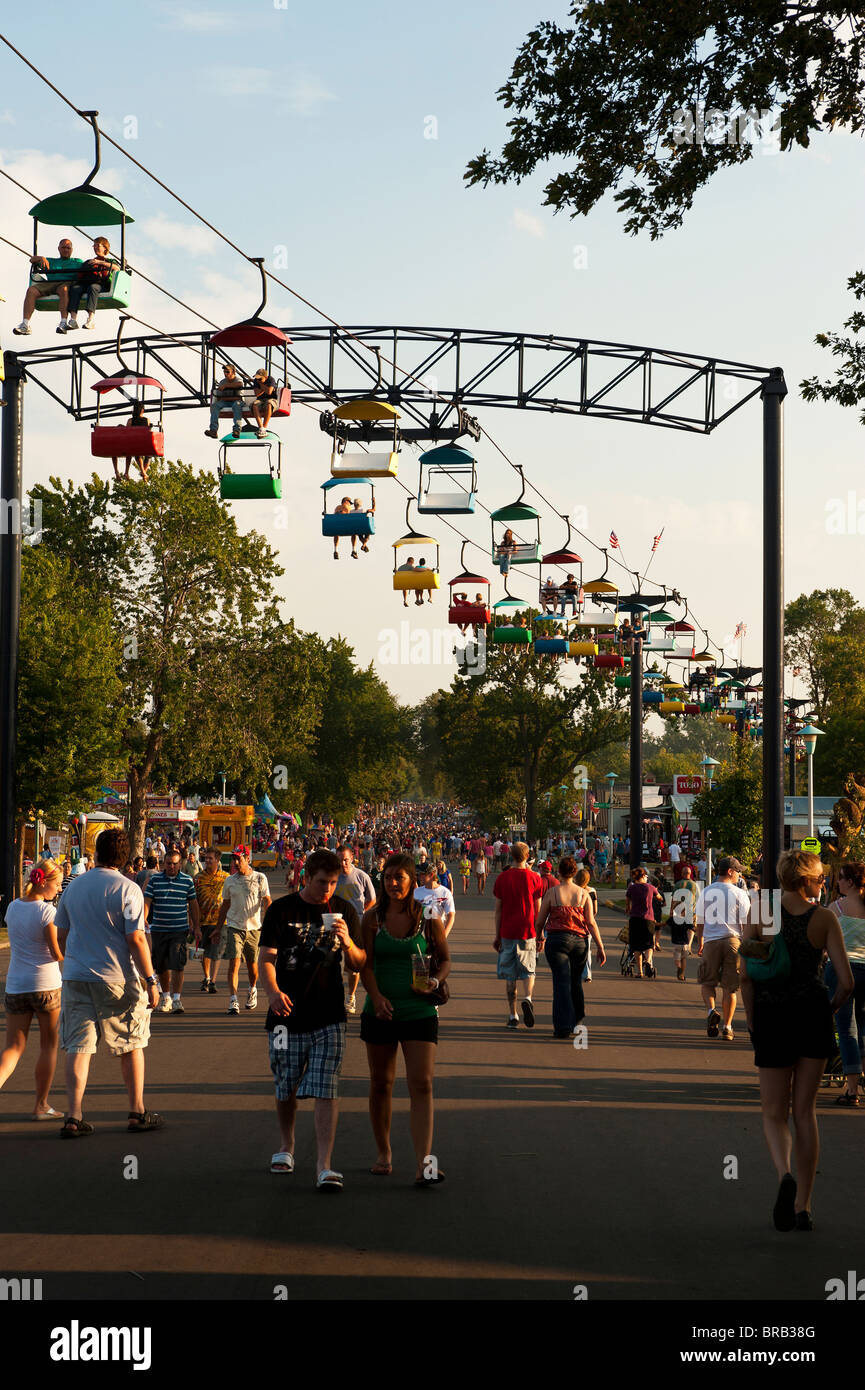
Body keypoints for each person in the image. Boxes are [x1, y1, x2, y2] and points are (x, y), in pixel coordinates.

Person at [741, 850, 853, 1231]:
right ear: (807, 880)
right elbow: (847, 982)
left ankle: (783, 1173)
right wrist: (829, 1008)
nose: (823, 883)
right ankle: (804, 1205)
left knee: (774, 1112)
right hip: (812, 1015)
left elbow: (746, 975)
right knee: (805, 1113)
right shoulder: (823, 918)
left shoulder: (761, 912)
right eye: (821, 878)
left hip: (772, 1014)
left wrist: (752, 1019)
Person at [259, 849, 366, 1189]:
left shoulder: (344, 911)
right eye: (322, 882)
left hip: (329, 1013)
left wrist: (348, 942)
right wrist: (273, 992)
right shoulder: (281, 909)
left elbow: (359, 964)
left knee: (326, 1086)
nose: (327, 890)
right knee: (285, 1082)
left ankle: (324, 1164)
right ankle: (286, 1146)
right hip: (283, 1016)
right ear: (307, 877)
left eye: (334, 883)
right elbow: (266, 959)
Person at [54, 828, 163, 1137]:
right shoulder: (129, 890)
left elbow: (60, 933)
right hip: (117, 976)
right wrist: (151, 979)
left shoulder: (74, 887)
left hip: (76, 975)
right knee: (131, 1042)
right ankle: (136, 1111)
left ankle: (73, 1115)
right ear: (125, 857)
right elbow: (136, 938)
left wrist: (73, 957)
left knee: (78, 1046)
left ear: (97, 853)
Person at [360, 853, 450, 1182]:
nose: (393, 883)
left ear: (413, 881)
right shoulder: (372, 918)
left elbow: (444, 960)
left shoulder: (428, 914)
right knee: (381, 1084)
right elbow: (364, 965)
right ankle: (384, 1152)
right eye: (387, 878)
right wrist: (376, 996)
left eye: (399, 878)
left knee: (422, 1084)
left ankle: (424, 1162)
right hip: (381, 1009)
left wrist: (436, 982)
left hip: (419, 1009)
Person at [0, 861, 64, 1118]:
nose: (58, 889)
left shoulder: (13, 907)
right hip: (46, 986)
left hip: (16, 985)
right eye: (57, 884)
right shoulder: (47, 912)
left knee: (13, 1048)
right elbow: (55, 952)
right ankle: (41, 1105)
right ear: (43, 882)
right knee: (48, 1045)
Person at [537, 857, 607, 1037]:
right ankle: (577, 1019)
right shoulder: (584, 894)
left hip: (557, 940)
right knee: (575, 981)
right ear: (574, 873)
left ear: (558, 872)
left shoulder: (552, 893)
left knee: (560, 983)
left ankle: (562, 1027)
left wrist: (539, 937)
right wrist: (600, 946)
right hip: (579, 942)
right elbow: (591, 923)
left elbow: (540, 920)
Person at [695, 856, 750, 1039]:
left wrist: (700, 941)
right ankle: (727, 1026)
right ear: (730, 871)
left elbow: (700, 920)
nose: (739, 874)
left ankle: (711, 1011)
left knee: (707, 982)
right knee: (730, 987)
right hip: (733, 941)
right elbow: (745, 923)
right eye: (738, 871)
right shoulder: (740, 894)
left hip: (711, 941)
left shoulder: (707, 891)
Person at [824, 861, 865, 1105]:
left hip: (841, 971)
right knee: (864, 1026)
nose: (836, 882)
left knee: (846, 1029)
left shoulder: (836, 908)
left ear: (850, 881)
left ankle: (852, 1089)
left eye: (840, 878)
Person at [493, 842, 545, 1029]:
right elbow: (538, 909)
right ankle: (528, 998)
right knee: (529, 969)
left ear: (511, 856)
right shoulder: (535, 878)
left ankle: (513, 1014)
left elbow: (498, 911)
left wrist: (497, 935)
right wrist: (540, 934)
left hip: (507, 931)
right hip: (528, 930)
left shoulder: (503, 878)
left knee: (510, 975)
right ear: (527, 855)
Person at [215, 847, 271, 1015]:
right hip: (234, 927)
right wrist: (218, 928)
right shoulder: (230, 881)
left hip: (254, 928)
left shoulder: (260, 878)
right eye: (234, 859)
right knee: (234, 963)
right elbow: (225, 904)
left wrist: (267, 923)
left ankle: (252, 989)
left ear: (248, 858)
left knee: (253, 967)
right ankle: (233, 1000)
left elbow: (267, 901)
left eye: (239, 859)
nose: (236, 863)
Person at [143, 848, 201, 1014]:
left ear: (180, 864)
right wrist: (144, 918)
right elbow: (147, 900)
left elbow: (193, 904)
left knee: (177, 964)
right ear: (164, 863)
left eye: (175, 864)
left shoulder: (187, 881)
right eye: (168, 863)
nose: (171, 867)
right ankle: (166, 997)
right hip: (159, 929)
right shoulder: (155, 880)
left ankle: (177, 999)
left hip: (179, 929)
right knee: (161, 965)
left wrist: (196, 927)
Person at [335, 845, 376, 1015]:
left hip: (356, 926)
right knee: (333, 963)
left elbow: (372, 899)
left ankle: (350, 997)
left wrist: (362, 913)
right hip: (335, 925)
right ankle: (334, 997)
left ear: (352, 858)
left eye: (345, 859)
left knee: (354, 966)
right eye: (339, 860)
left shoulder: (361, 876)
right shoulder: (333, 877)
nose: (342, 863)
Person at [14, 237, 83, 336]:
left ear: (72, 250)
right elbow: (32, 259)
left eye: (68, 248)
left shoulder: (77, 262)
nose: (66, 250)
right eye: (63, 247)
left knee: (64, 289)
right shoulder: (51, 261)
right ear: (59, 249)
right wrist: (41, 258)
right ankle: (25, 324)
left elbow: (87, 268)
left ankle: (63, 322)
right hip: (51, 283)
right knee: (31, 290)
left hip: (67, 282)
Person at [64, 237, 119, 331]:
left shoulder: (110, 261)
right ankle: (73, 319)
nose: (95, 247)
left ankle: (90, 319)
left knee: (93, 287)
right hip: (86, 283)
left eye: (98, 245)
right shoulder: (89, 262)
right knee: (75, 288)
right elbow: (80, 275)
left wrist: (99, 262)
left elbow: (116, 268)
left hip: (101, 283)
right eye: (94, 245)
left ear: (105, 247)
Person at [194, 848, 229, 994]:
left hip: (220, 922)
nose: (207, 861)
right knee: (204, 952)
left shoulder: (226, 878)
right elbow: (193, 901)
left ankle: (213, 981)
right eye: (205, 858)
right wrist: (193, 924)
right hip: (202, 921)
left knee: (216, 952)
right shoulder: (198, 878)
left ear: (217, 860)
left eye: (210, 858)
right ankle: (206, 977)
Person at [625, 867, 662, 979]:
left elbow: (627, 900)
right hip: (648, 919)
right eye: (646, 876)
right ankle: (648, 961)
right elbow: (659, 898)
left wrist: (628, 908)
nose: (647, 878)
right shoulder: (650, 887)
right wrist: (658, 898)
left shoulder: (632, 888)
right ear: (642, 876)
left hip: (635, 919)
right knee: (649, 943)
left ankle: (640, 971)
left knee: (636, 945)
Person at [670, 864, 699, 980]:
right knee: (691, 929)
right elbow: (698, 898)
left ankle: (681, 947)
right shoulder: (694, 885)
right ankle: (689, 945)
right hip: (690, 911)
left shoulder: (678, 884)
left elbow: (674, 899)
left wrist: (672, 911)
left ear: (682, 874)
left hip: (679, 911)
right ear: (690, 874)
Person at [413, 862, 456, 937]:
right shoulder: (416, 892)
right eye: (418, 874)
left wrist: (443, 936)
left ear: (431, 875)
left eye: (422, 874)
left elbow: (451, 915)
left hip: (436, 933)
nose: (419, 877)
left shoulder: (445, 893)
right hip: (418, 936)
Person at [205, 363, 244, 439]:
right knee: (215, 405)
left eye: (227, 372)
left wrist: (226, 386)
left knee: (237, 405)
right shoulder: (222, 382)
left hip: (236, 401)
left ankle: (237, 430)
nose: (225, 374)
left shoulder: (237, 380)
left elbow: (240, 385)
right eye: (224, 372)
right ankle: (213, 430)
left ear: (233, 372)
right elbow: (219, 397)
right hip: (226, 401)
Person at [251, 367, 278, 437]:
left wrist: (261, 385)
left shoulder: (271, 379)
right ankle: (261, 428)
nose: (258, 380)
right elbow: (257, 393)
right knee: (254, 405)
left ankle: (264, 427)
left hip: (272, 399)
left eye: (260, 379)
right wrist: (264, 387)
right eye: (257, 379)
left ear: (265, 377)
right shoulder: (256, 381)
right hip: (260, 399)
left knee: (269, 404)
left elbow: (269, 392)